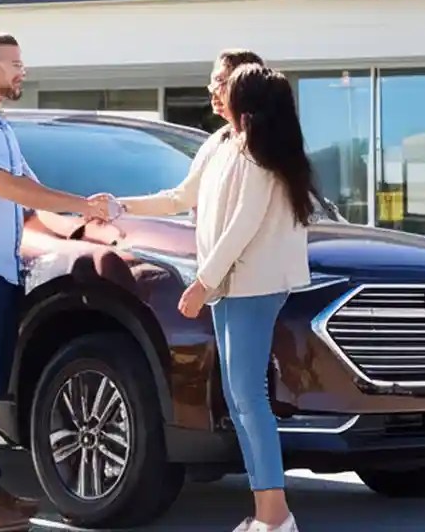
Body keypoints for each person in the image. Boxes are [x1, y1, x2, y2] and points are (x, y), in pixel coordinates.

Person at [118, 59, 315, 532]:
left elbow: (240, 229)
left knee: (249, 398)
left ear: (246, 101)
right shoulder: (228, 146)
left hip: (252, 286)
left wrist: (201, 284)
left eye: (225, 85)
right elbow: (182, 198)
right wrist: (122, 205)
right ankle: (267, 511)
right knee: (241, 398)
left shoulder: (257, 157)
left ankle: (275, 516)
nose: (216, 90)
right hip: (235, 286)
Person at [0, 32, 113, 531]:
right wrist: (80, 203)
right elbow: (3, 186)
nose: (22, 71)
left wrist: (88, 230)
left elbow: (32, 201)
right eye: (14, 63)